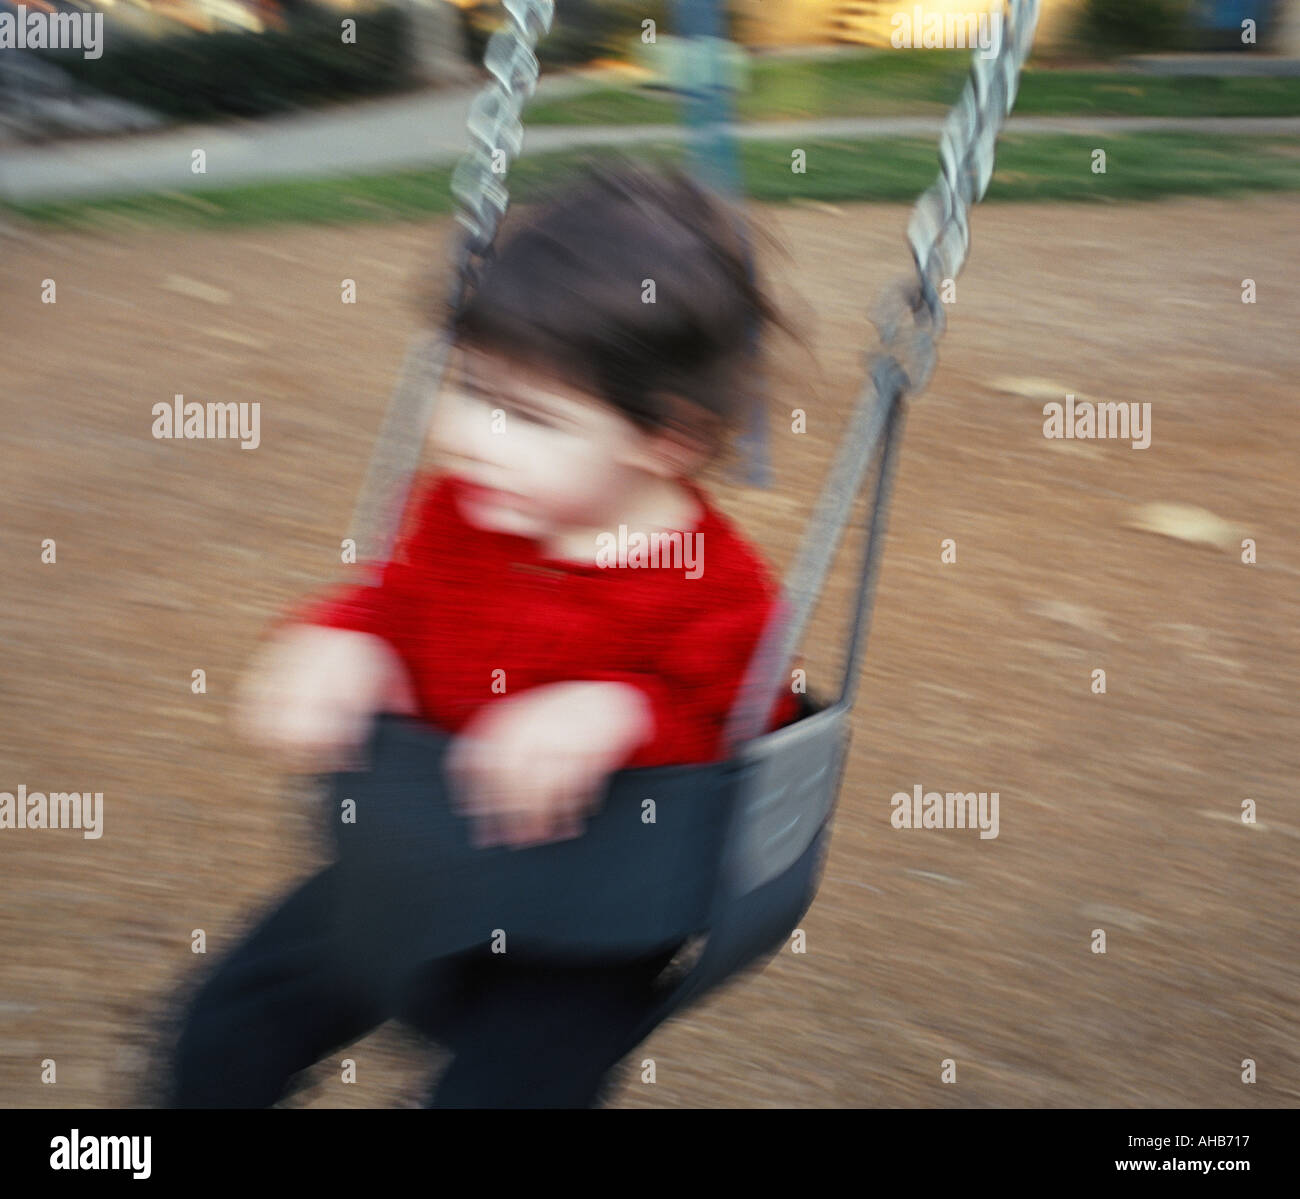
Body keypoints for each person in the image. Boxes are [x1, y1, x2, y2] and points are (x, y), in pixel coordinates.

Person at [165, 160, 804, 1109]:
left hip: (592, 919)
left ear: (668, 437)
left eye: (527, 415)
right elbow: (394, 600)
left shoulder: (714, 580)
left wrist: (625, 712)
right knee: (219, 1029)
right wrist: (345, 637)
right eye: (467, 385)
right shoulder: (463, 512)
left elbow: (754, 730)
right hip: (420, 864)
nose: (465, 435)